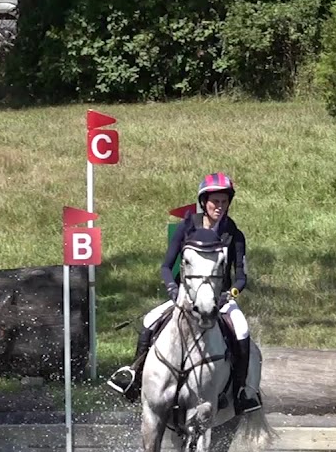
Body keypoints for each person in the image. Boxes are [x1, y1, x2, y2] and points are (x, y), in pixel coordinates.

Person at [107, 172, 262, 414]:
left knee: (241, 329)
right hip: (184, 296)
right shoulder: (186, 229)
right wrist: (173, 289)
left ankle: (241, 391)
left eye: (224, 202)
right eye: (215, 202)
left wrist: (230, 294)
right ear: (204, 203)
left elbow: (241, 276)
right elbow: (166, 266)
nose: (219, 207)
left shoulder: (234, 234)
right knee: (149, 321)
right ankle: (134, 376)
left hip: (220, 299)